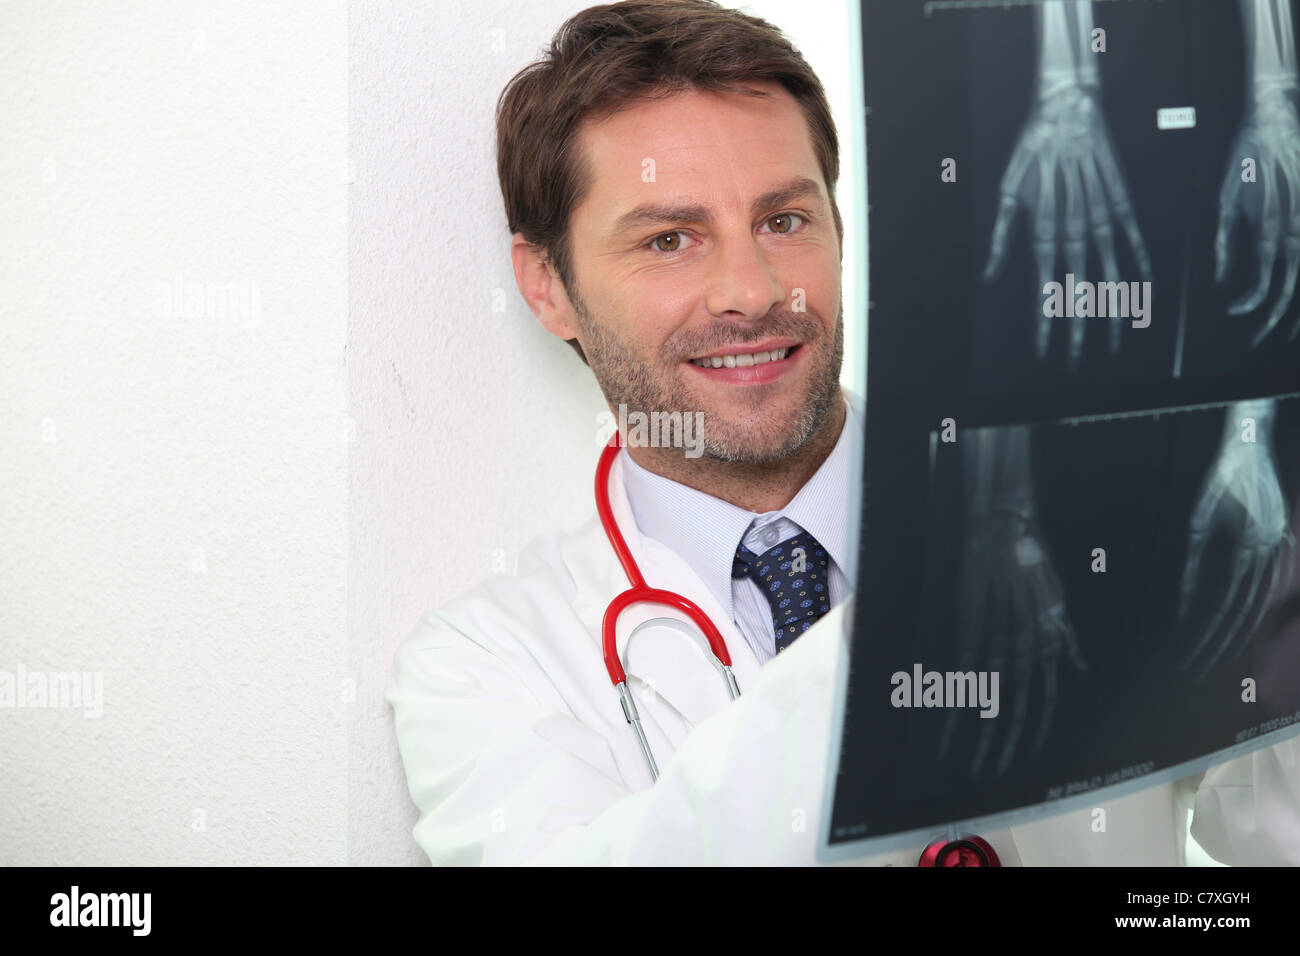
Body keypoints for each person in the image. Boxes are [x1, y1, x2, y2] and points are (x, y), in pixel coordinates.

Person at [387, 0, 1299, 866]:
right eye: (670, 239)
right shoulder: (481, 667)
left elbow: (1272, 822)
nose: (750, 290)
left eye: (783, 220)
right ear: (546, 285)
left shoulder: (1110, 518)